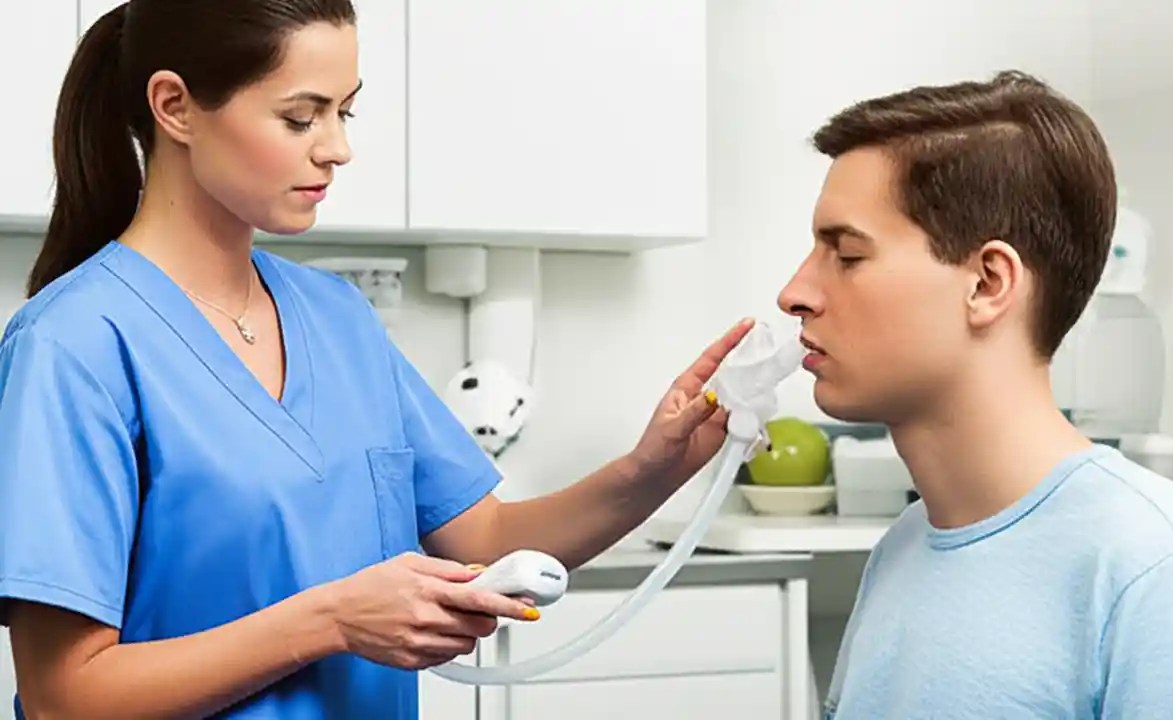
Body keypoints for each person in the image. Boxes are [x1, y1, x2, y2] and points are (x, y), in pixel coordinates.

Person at [0, 2, 750, 718]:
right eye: (301, 116)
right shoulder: (74, 345)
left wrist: (651, 467)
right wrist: (331, 620)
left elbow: (484, 539)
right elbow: (67, 696)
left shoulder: (338, 319)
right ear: (175, 107)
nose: (337, 147)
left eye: (344, 111)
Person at [778, 70, 1173, 719]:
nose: (795, 292)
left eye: (846, 255)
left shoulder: (1163, 568)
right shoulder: (904, 549)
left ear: (988, 283)